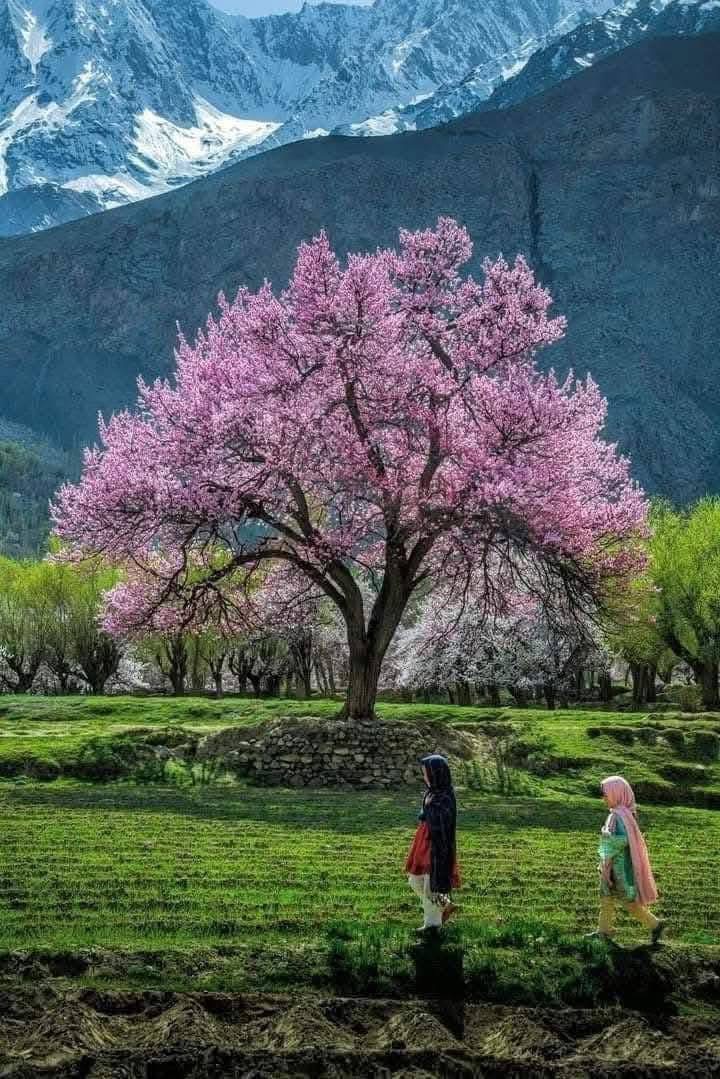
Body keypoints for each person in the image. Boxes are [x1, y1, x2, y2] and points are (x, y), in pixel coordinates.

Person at [590, 774, 666, 945]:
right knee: (606, 898)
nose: (603, 799)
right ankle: (603, 932)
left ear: (616, 794)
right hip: (612, 865)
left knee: (628, 902)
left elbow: (624, 840)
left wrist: (606, 839)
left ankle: (655, 924)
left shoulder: (620, 816)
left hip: (620, 868)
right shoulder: (620, 814)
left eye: (605, 794)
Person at [405, 753, 461, 935]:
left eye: (427, 773)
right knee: (415, 880)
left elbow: (443, 823)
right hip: (424, 842)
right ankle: (445, 905)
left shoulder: (445, 796)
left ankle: (432, 925)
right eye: (424, 773)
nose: (425, 777)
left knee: (431, 885)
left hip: (437, 846)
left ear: (437, 774)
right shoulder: (432, 793)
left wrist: (429, 811)